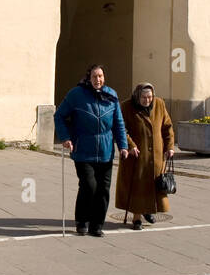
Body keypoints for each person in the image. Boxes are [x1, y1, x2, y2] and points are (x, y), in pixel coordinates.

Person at [54, 63, 129, 237]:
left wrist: (123, 146)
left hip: (105, 150)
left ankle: (97, 225)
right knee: (89, 185)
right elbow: (59, 115)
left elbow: (118, 123)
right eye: (95, 76)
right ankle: (82, 221)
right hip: (83, 149)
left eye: (101, 76)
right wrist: (65, 137)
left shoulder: (111, 95)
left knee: (103, 189)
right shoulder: (76, 94)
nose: (98, 79)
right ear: (89, 78)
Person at [115, 83, 175, 229]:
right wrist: (130, 145)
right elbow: (121, 129)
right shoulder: (126, 106)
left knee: (153, 185)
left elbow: (167, 126)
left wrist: (170, 147)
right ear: (137, 96)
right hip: (136, 156)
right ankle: (136, 219)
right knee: (137, 187)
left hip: (156, 155)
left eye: (150, 97)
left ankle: (148, 210)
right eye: (144, 97)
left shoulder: (159, 104)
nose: (147, 100)